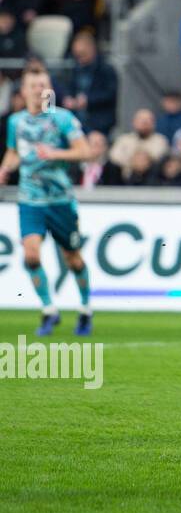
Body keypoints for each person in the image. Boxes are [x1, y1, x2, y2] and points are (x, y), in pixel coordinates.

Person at [0, 64, 94, 335]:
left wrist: (55, 154)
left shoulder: (62, 118)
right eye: (34, 85)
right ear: (25, 90)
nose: (40, 90)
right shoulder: (15, 121)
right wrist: (5, 167)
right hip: (30, 200)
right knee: (31, 255)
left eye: (43, 85)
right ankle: (49, 310)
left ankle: (86, 308)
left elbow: (85, 151)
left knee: (73, 259)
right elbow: (14, 152)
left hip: (60, 199)